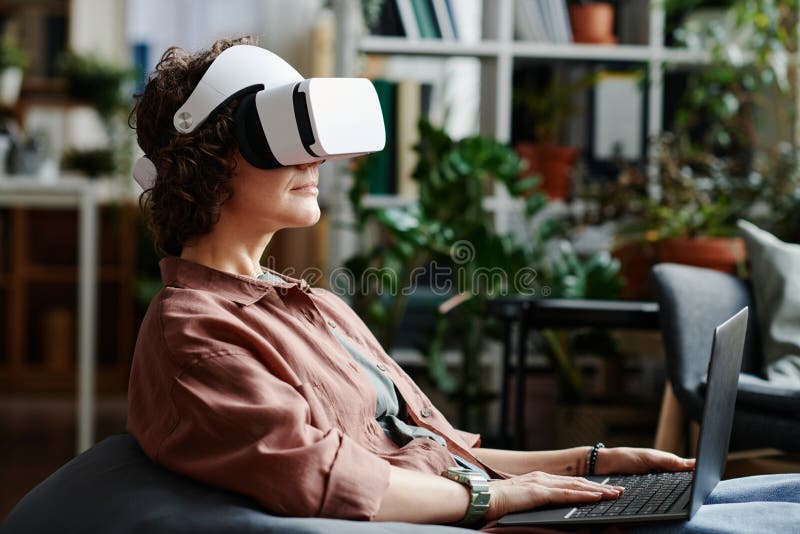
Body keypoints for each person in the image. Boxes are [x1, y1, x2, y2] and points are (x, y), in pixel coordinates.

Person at [126, 37, 798, 532]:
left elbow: (437, 450)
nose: (318, 157)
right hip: (467, 525)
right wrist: (499, 499)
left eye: (314, 134)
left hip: (480, 507)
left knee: (784, 493)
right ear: (205, 158)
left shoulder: (313, 305)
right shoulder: (196, 330)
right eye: (281, 133)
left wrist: (586, 463)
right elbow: (319, 474)